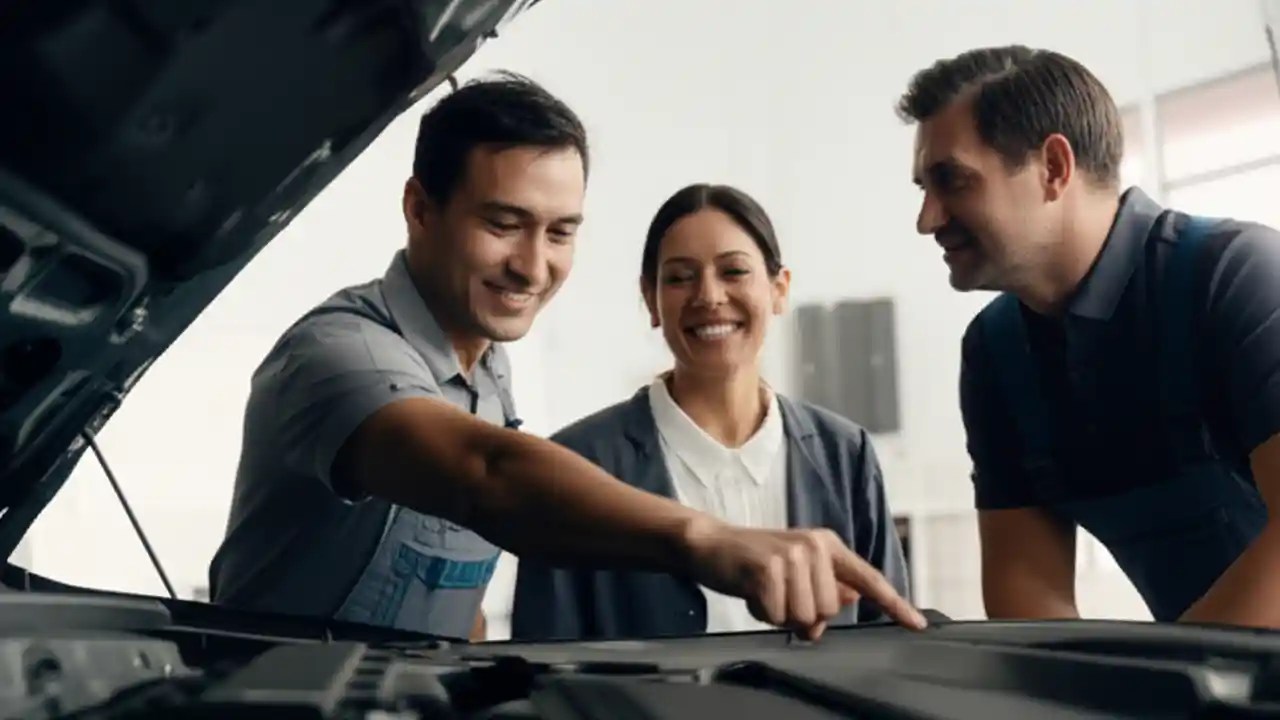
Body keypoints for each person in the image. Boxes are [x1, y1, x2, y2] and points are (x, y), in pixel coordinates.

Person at [208, 72, 926, 643]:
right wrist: (708, 541)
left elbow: (455, 598)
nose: (532, 265)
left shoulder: (489, 371)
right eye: (503, 224)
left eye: (561, 232)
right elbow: (484, 476)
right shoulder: (332, 355)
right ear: (420, 208)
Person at [898, 45, 1280, 627]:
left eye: (952, 181)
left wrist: (1168, 689)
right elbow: (1029, 600)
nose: (927, 218)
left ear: (1053, 167)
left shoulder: (1237, 276)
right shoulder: (995, 351)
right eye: (924, 188)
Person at [509, 184, 911, 641]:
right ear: (651, 300)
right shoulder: (575, 463)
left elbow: (887, 643)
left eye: (734, 271)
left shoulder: (845, 454)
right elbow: (542, 668)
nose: (709, 295)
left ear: (780, 290)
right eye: (680, 277)